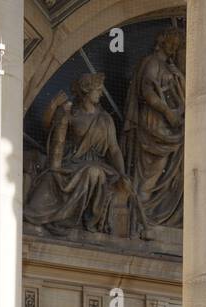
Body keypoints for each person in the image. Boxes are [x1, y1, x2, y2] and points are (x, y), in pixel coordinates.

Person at [25, 73, 143, 237]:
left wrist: (122, 173)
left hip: (99, 165)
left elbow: (114, 150)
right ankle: (58, 216)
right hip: (72, 163)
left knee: (94, 172)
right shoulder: (71, 114)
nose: (101, 93)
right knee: (63, 176)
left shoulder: (106, 119)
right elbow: (49, 128)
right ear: (87, 90)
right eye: (98, 90)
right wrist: (52, 105)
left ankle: (82, 218)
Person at [124, 27, 185, 228]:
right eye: (173, 43)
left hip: (171, 125)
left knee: (159, 171)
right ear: (163, 41)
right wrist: (167, 112)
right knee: (150, 172)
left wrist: (178, 76)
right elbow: (147, 91)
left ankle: (149, 213)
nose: (174, 48)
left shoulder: (169, 67)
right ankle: (140, 217)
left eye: (177, 45)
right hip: (155, 124)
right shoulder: (152, 62)